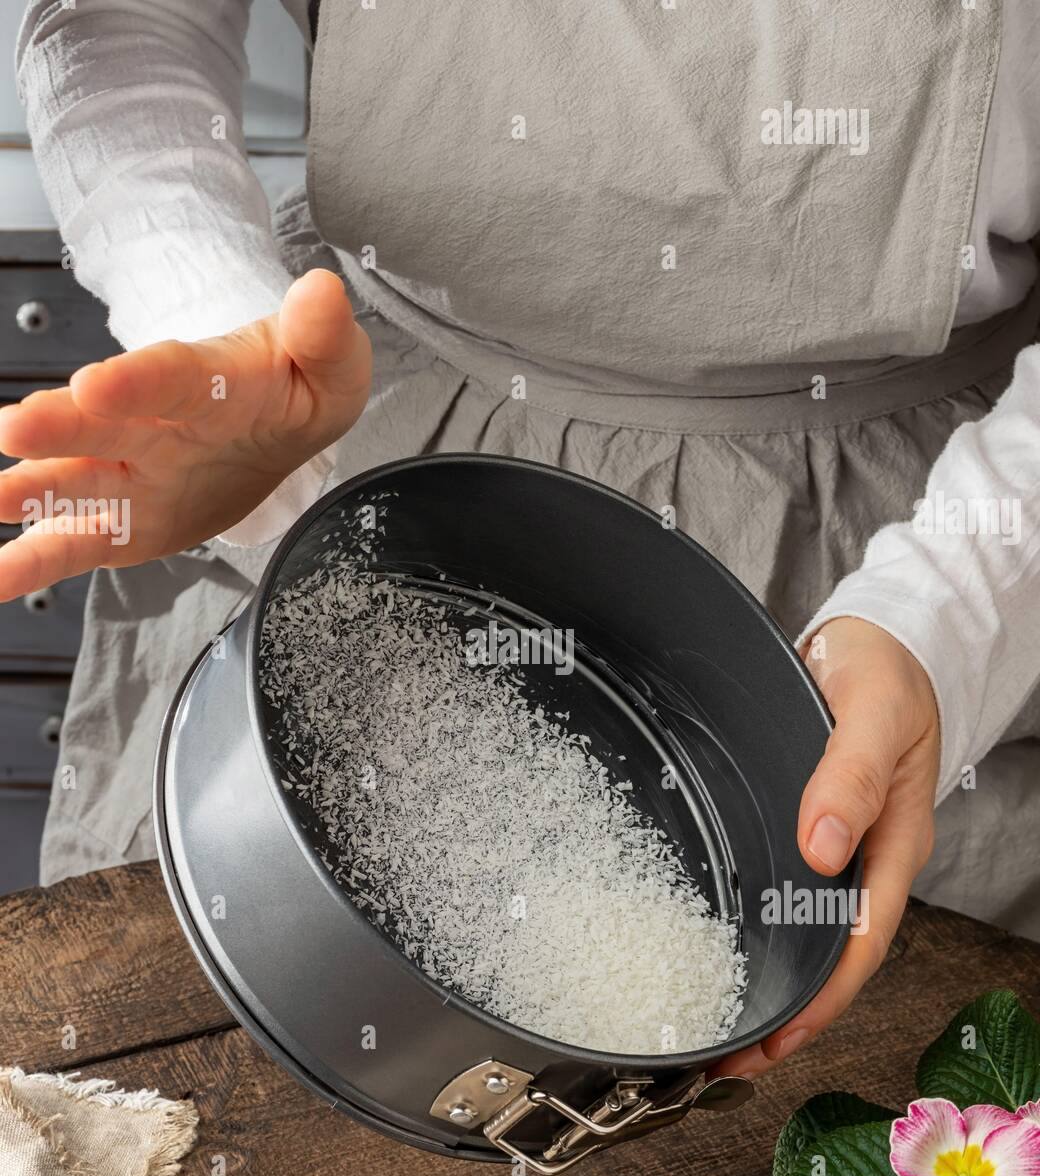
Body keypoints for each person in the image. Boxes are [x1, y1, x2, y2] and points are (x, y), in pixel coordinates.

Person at [2, 1, 1039, 1085]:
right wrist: (207, 311)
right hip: (357, 434)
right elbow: (122, 17)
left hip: (930, 516)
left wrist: (945, 616)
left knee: (890, 1154)